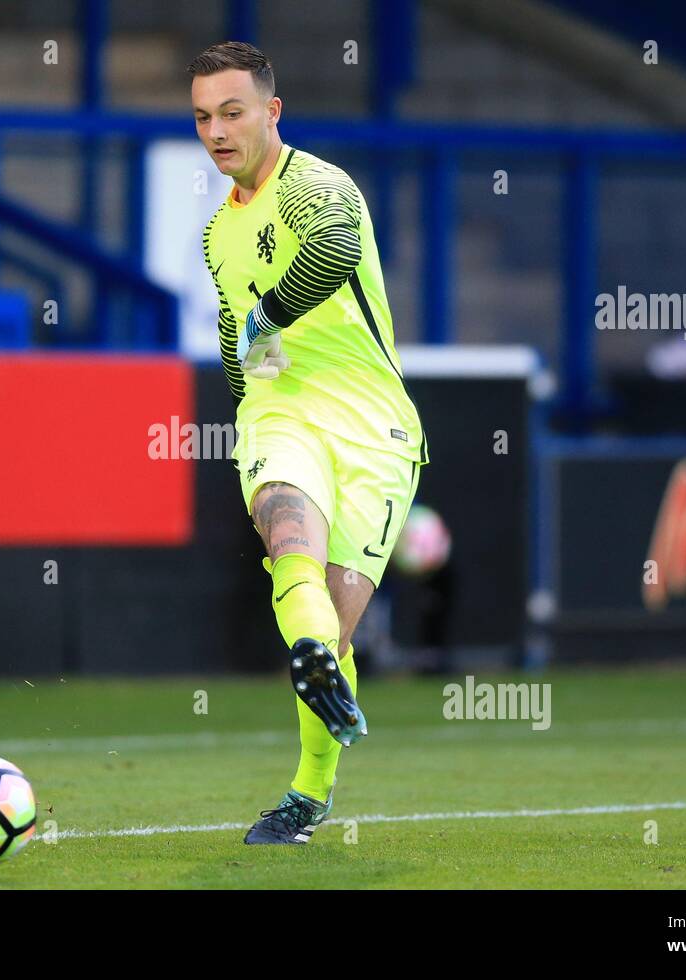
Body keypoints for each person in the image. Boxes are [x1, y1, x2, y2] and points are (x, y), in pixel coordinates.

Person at [189, 41, 430, 844]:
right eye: (202, 117)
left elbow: (331, 252)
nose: (217, 131)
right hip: (282, 407)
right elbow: (236, 339)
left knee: (331, 621)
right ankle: (307, 675)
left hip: (374, 423)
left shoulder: (314, 186)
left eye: (232, 112)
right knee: (285, 522)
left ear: (271, 111)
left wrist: (263, 321)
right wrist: (246, 374)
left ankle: (311, 789)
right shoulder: (218, 234)